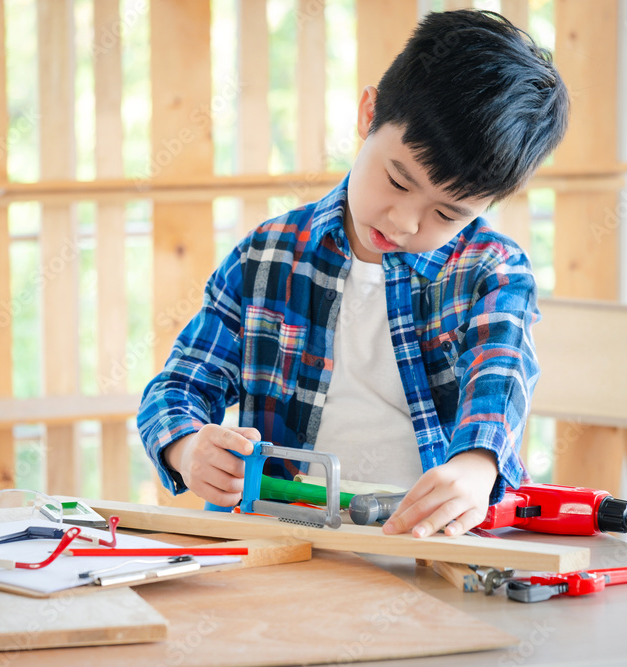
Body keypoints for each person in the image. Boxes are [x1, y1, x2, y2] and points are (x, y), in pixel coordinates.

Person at [137, 9, 569, 538]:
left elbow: (498, 383)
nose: (405, 222)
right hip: (284, 533)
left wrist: (476, 468)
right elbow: (180, 383)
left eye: (448, 213)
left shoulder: (493, 272)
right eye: (398, 180)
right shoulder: (269, 253)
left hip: (435, 545)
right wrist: (187, 446)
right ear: (368, 115)